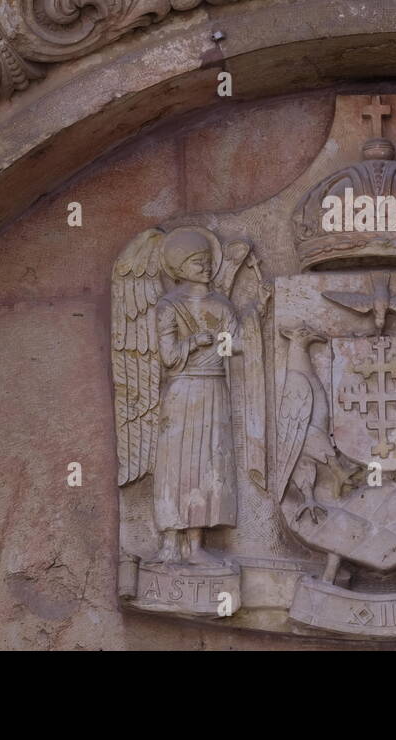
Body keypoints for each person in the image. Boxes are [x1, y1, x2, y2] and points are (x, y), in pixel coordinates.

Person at [153, 229, 239, 564]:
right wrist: (195, 342)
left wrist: (255, 315)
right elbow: (169, 357)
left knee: (207, 463)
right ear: (179, 268)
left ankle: (196, 545)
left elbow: (235, 345)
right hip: (183, 389)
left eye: (205, 261)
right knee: (177, 464)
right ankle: (170, 543)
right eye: (195, 262)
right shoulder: (169, 307)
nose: (204, 267)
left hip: (214, 388)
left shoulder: (222, 306)